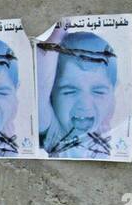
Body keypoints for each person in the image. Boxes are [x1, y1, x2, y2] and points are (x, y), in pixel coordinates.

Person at [40, 31, 118, 159]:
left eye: (98, 92)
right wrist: (56, 35)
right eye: (69, 91)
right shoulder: (55, 132)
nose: (84, 104)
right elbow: (41, 86)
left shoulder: (113, 133)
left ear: (112, 97)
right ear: (51, 95)